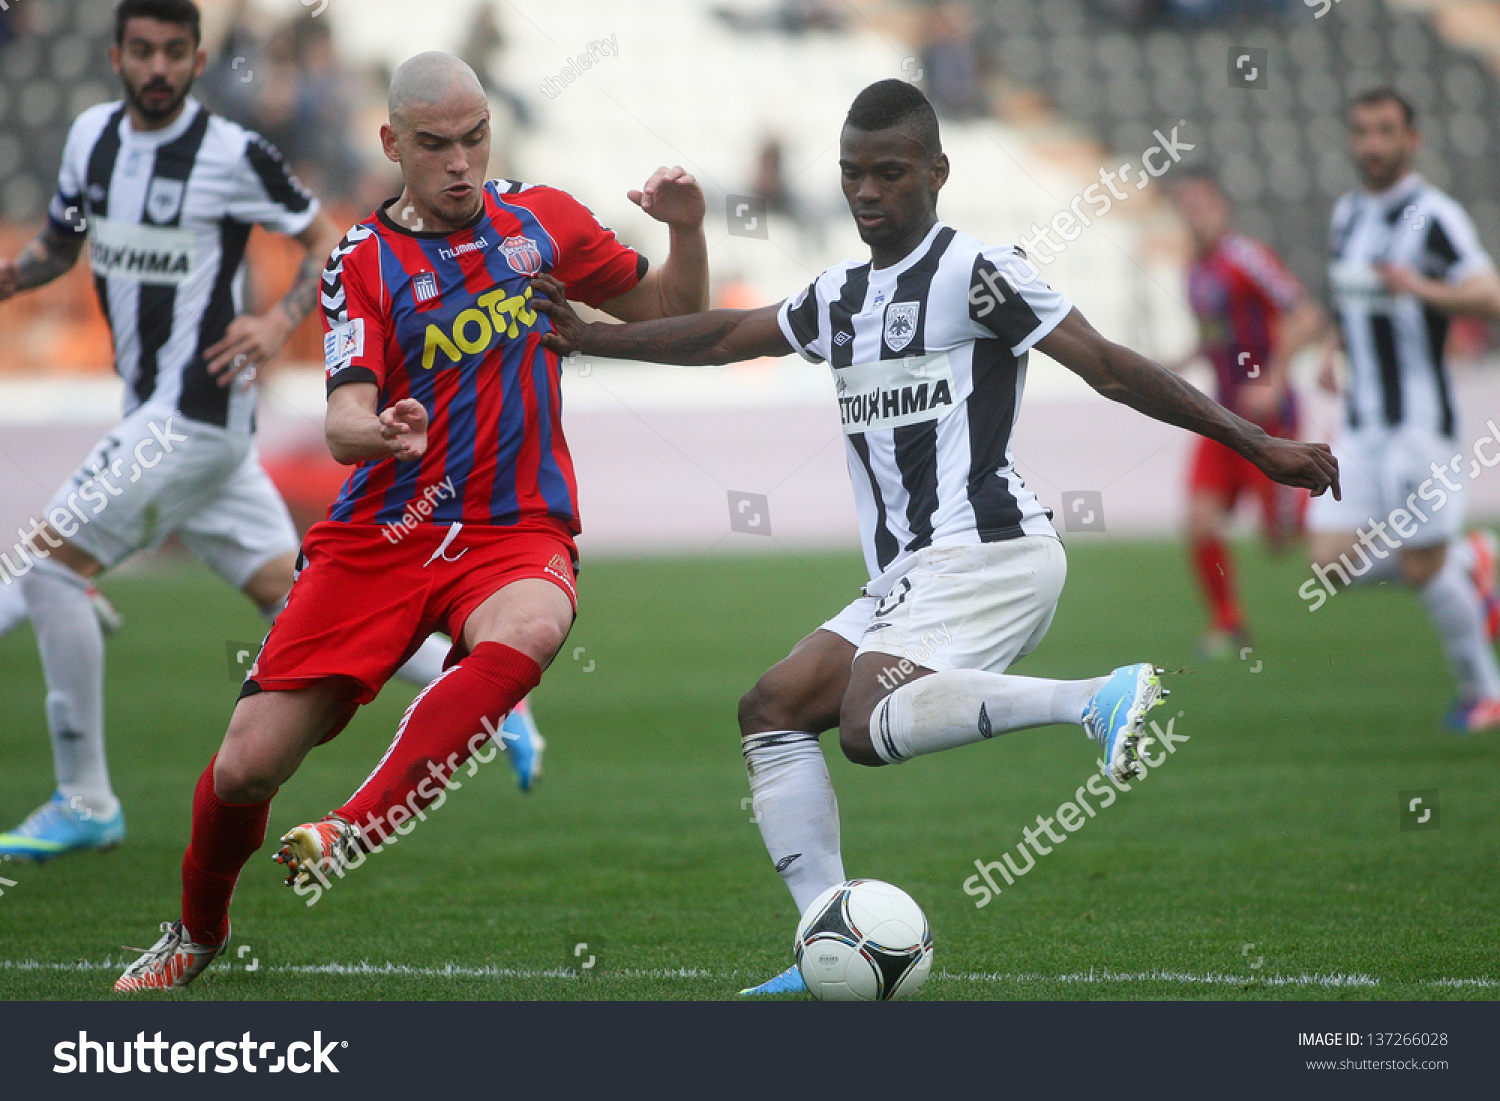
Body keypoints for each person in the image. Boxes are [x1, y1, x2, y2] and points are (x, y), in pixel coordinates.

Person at [531, 79, 1339, 995]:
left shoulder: (980, 273)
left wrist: (1258, 440)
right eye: (851, 175)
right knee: (773, 708)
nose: (867, 192)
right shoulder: (839, 297)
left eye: (889, 172)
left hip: (994, 549)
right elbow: (721, 336)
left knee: (869, 722)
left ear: (936, 173)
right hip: (914, 572)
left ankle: (1096, 697)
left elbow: (1112, 367)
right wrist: (590, 338)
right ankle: (822, 944)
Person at [114, 50, 708, 991]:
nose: (461, 161)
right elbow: (343, 414)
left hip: (512, 526)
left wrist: (687, 233)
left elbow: (678, 314)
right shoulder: (362, 260)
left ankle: (354, 825)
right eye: (436, 145)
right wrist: (379, 431)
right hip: (382, 535)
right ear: (393, 143)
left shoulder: (543, 222)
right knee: (244, 770)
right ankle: (195, 932)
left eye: (476, 138)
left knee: (537, 622)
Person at [0, 0, 449, 864]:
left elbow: (330, 241)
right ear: (116, 55)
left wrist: (281, 322)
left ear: (200, 60)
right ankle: (479, 690)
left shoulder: (230, 153)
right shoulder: (91, 139)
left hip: (194, 413)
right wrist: (12, 277)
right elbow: (57, 249)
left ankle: (85, 798)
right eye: (143, 51)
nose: (159, 66)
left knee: (51, 566)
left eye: (175, 51)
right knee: (295, 596)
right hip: (162, 420)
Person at [1308, 88, 1500, 733]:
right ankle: (1472, 558)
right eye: (1362, 131)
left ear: (1410, 139)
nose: (1372, 144)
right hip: (1362, 422)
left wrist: (1423, 288)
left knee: (1420, 565)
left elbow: (1489, 294)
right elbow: (1348, 296)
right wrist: (1334, 347)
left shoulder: (1433, 215)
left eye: (1386, 131)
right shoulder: (1346, 215)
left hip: (1420, 421)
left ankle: (1485, 692)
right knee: (1329, 564)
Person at [1166, 168, 1328, 656]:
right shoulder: (1195, 269)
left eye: (1202, 203)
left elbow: (1307, 315)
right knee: (1199, 516)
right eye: (1185, 205)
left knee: (1280, 539)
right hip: (1222, 416)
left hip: (1268, 419)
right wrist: (1180, 360)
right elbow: (1219, 336)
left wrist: (1274, 374)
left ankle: (1341, 478)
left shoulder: (1246, 258)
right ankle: (1228, 623)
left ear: (1222, 206)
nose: (1194, 214)